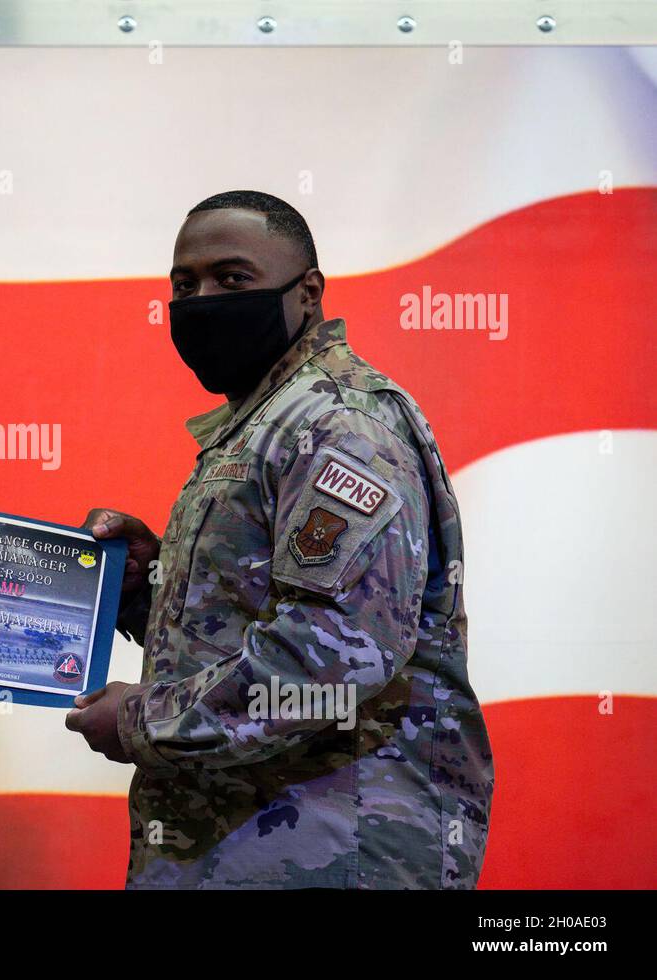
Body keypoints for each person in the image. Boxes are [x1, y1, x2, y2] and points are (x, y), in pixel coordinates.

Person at [66, 190, 493, 889]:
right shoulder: (267, 419)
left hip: (332, 848)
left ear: (309, 292)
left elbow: (330, 659)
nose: (201, 300)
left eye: (232, 280)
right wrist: (146, 590)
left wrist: (146, 720)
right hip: (248, 844)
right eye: (184, 285)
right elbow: (254, 618)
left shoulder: (339, 424)